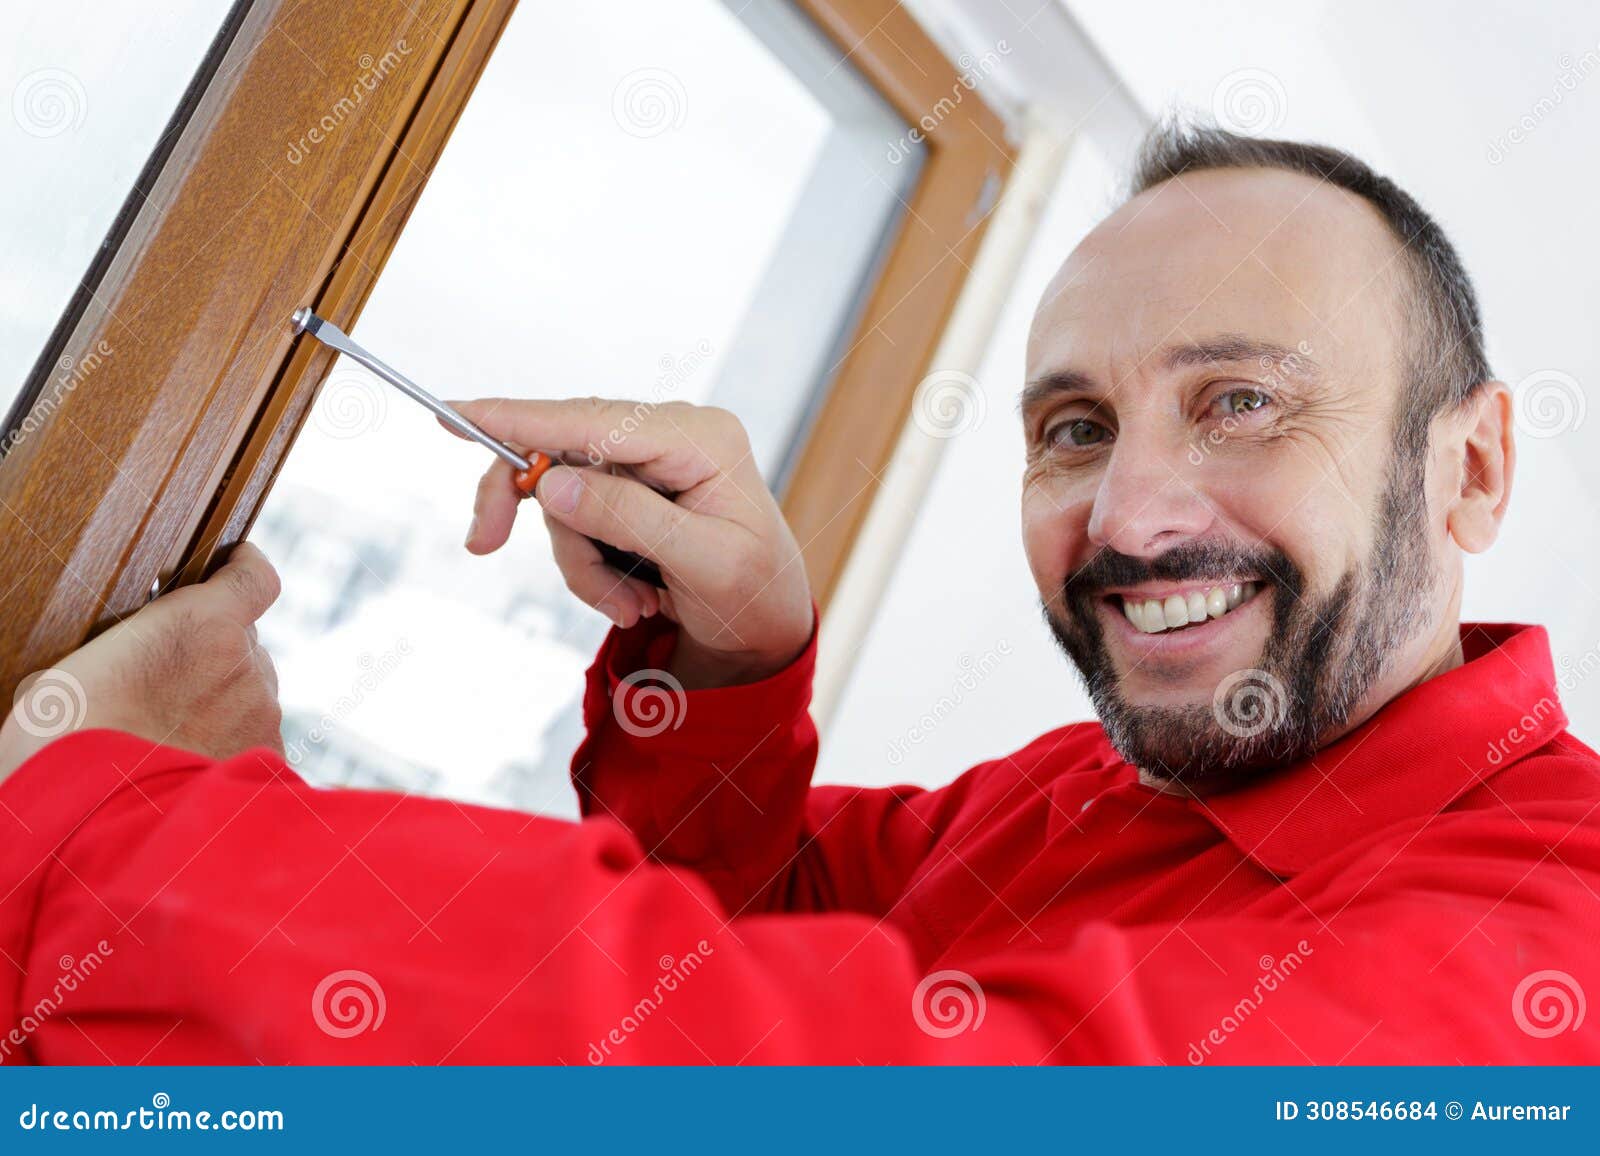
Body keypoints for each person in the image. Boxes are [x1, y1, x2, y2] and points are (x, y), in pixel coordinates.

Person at [1, 123, 1595, 1065]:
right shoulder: (1083, 796)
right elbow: (749, 938)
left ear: (1470, 468)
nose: (1127, 513)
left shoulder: (1557, 946)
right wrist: (729, 668)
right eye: (1073, 429)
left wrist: (105, 839)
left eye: (1240, 402)